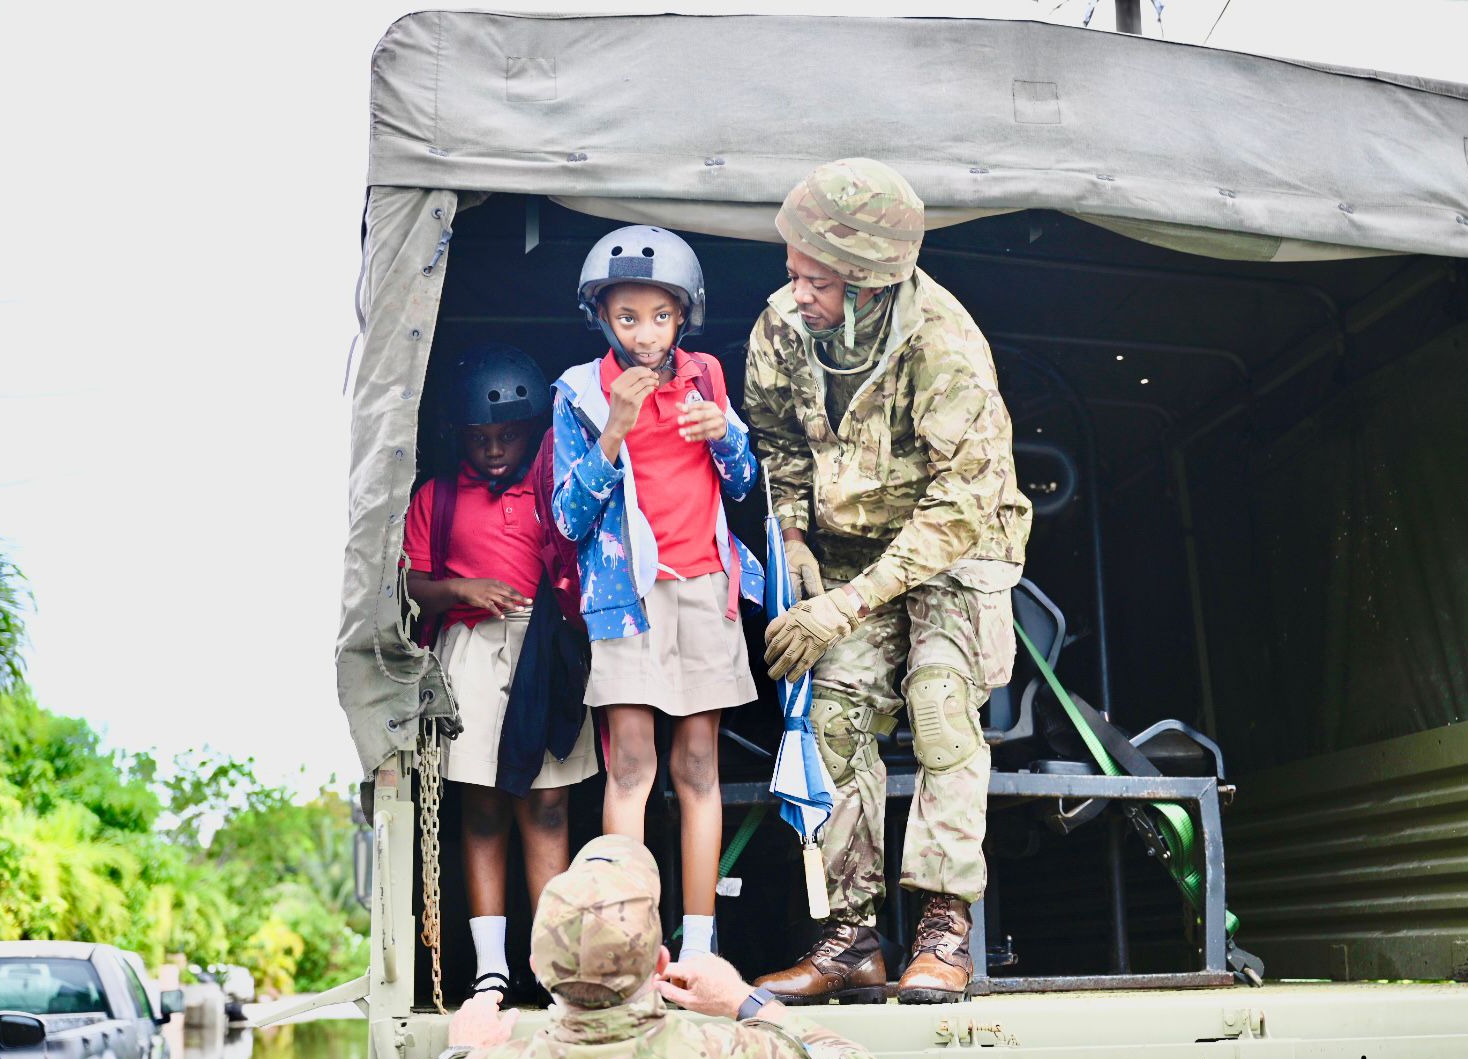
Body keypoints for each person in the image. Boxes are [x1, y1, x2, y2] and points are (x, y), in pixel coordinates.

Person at [743, 159, 1033, 1005]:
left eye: (816, 280)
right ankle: (850, 940)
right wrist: (792, 534)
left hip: (959, 547)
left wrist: (843, 604)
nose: (796, 291)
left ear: (868, 285)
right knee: (832, 714)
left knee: (940, 706)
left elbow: (960, 505)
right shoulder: (782, 326)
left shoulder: (944, 343)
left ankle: (944, 929)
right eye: (792, 271)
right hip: (848, 552)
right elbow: (775, 439)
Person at [550, 225, 763, 961]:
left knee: (698, 767)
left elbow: (742, 486)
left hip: (705, 586)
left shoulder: (705, 376)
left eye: (660, 316)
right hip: (624, 600)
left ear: (684, 316)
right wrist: (613, 432)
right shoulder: (578, 393)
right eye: (628, 317)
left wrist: (726, 436)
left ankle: (701, 949)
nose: (645, 333)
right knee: (632, 766)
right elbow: (568, 518)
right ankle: (629, 945)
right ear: (602, 318)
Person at [403, 344, 599, 1001]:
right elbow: (411, 586)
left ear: (533, 432)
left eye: (507, 436)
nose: (493, 450)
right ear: (458, 435)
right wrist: (464, 590)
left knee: (547, 807)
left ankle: (549, 962)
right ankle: (492, 966)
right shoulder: (438, 497)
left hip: (545, 655)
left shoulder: (552, 486)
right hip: (472, 655)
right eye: (480, 438)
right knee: (482, 809)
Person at [433, 834, 886, 1059]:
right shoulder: (738, 1058)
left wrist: (462, 1054)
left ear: (536, 967)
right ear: (660, 963)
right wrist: (745, 1000)